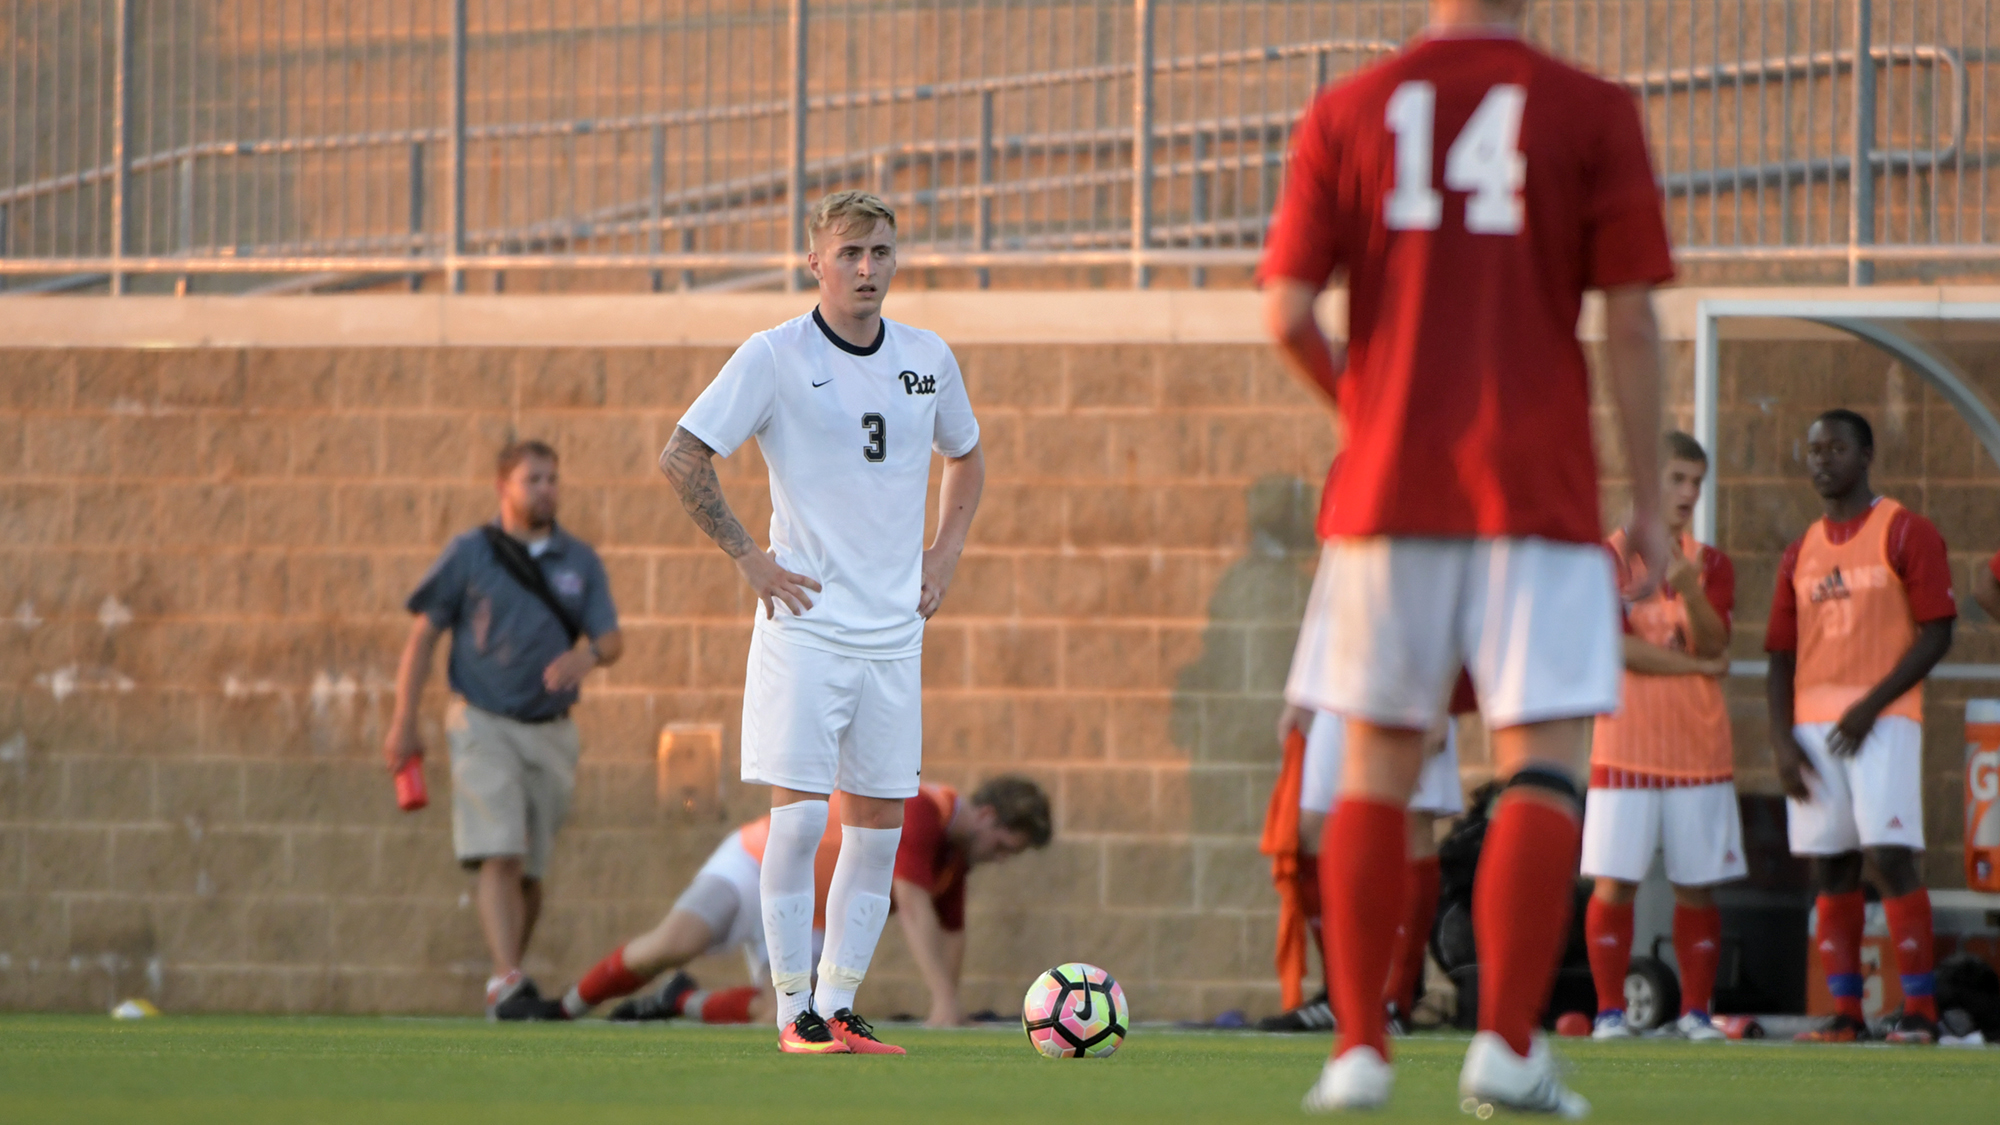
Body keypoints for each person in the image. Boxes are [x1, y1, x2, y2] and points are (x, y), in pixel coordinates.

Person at [1259, 0, 1676, 1111]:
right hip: (1536, 493)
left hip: (1386, 499)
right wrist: (1647, 503)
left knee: (1377, 765)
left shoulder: (1345, 109)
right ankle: (1504, 1043)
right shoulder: (1591, 109)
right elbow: (1631, 321)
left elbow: (1286, 311)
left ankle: (1358, 1048)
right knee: (1541, 765)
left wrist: (1370, 415)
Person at [658, 190, 985, 1055]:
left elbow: (966, 454)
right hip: (805, 625)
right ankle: (791, 1009)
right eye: (850, 253)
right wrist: (748, 557)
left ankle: (838, 1006)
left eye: (880, 252)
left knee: (878, 831)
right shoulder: (774, 355)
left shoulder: (927, 357)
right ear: (816, 263)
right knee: (801, 822)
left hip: (894, 634)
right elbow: (682, 455)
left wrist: (944, 553)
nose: (867, 269)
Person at [384, 440, 623, 1020]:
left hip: (551, 732)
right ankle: (508, 976)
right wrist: (403, 722)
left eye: (552, 479)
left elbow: (612, 639)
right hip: (483, 723)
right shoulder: (471, 552)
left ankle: (506, 985)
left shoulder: (578, 560)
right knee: (501, 851)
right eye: (532, 479)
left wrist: (587, 656)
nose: (546, 489)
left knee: (531, 870)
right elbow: (423, 637)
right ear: (503, 487)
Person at [550, 777, 1052, 1026]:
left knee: (788, 1016)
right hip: (758, 865)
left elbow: (951, 932)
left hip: (810, 919)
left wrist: (951, 1002)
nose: (1002, 859)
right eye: (1004, 846)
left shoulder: (955, 859)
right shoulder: (922, 808)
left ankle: (677, 1000)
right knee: (672, 944)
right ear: (987, 816)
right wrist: (943, 1001)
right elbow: (913, 905)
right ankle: (565, 1008)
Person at [1766, 409, 1955, 1045]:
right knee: (1831, 867)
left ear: (1866, 454)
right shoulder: (1799, 551)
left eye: (1837, 448)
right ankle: (1846, 1013)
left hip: (1884, 722)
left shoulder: (1905, 530)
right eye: (1814, 449)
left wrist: (1872, 705)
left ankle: (1921, 1011)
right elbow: (1780, 656)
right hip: (1814, 731)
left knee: (1890, 856)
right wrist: (1781, 741)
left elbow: (1937, 632)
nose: (1823, 460)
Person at [1581, 432, 1741, 1041]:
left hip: (1699, 748)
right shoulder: (1607, 560)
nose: (1688, 492)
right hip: (1624, 744)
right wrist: (1697, 667)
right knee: (1614, 882)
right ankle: (1608, 1013)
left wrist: (1691, 589)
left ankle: (1696, 1013)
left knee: (1695, 886)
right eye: (1677, 478)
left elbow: (1717, 642)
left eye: (1696, 482)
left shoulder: (1712, 564)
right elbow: (1617, 650)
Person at [1262, 675, 1472, 1034]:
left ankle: (1397, 998)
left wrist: (1441, 703)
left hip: (1413, 682)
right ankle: (1339, 995)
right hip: (1338, 682)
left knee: (1411, 822)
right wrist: (1301, 693)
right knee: (1312, 827)